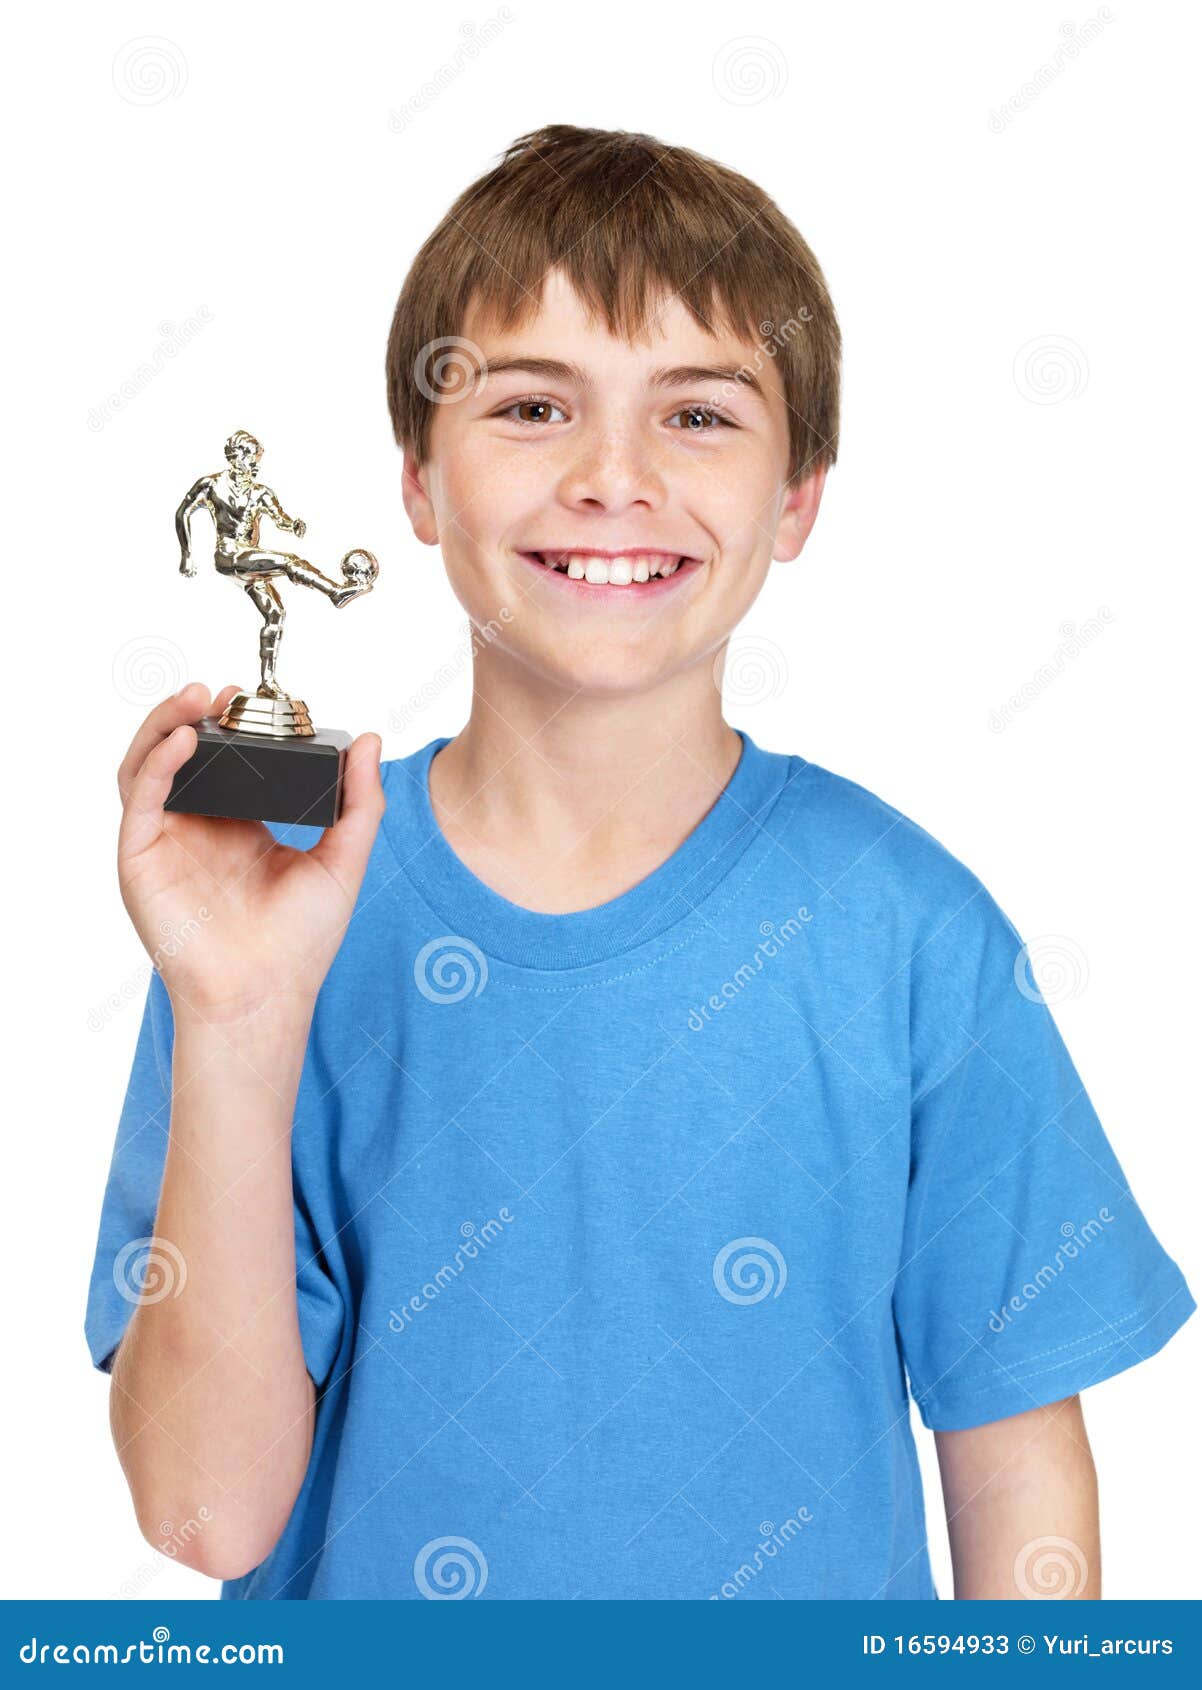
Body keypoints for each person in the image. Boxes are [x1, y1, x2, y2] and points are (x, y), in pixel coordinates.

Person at [87, 124, 1193, 1601]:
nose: (613, 478)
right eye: (534, 405)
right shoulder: (270, 923)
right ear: (418, 482)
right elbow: (204, 1516)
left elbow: (1018, 1469)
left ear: (796, 497)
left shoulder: (911, 932)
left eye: (698, 416)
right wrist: (233, 1022)